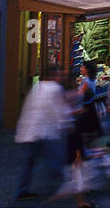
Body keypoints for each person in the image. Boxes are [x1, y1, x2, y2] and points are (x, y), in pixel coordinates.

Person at [15, 67, 69, 200]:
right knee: (55, 157)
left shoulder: (37, 87)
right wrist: (65, 124)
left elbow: (28, 107)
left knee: (29, 162)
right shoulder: (56, 88)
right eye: (59, 74)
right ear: (54, 75)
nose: (60, 77)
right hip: (45, 131)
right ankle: (62, 182)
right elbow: (58, 110)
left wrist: (22, 127)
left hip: (30, 131)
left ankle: (22, 190)